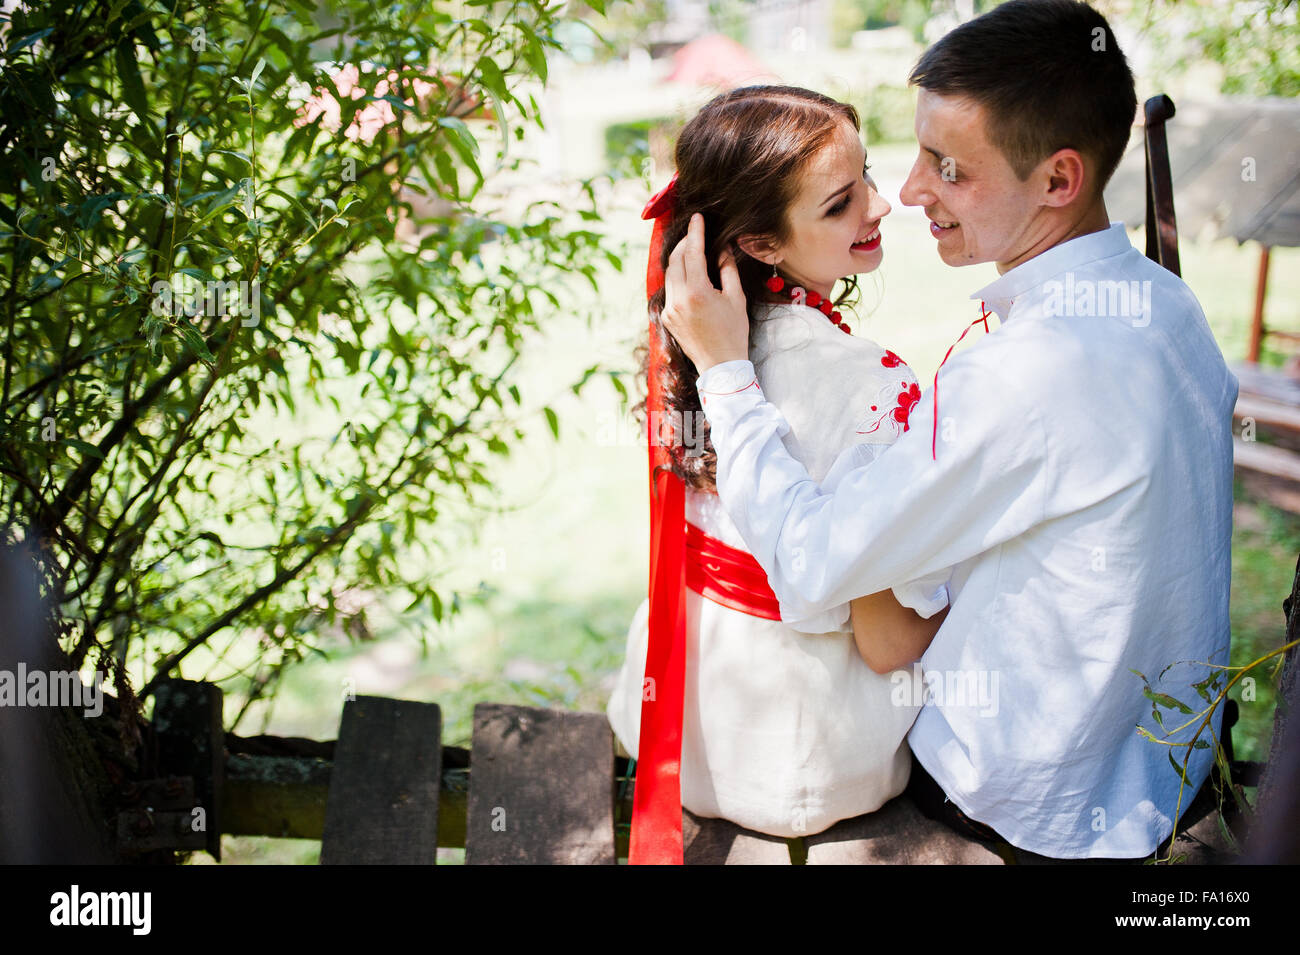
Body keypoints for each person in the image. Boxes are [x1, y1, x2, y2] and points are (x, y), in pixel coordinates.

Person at [658, 0, 1237, 862]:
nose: (910, 193)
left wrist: (726, 373)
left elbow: (816, 562)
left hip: (1030, 798)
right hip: (1159, 763)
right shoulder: (1169, 305)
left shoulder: (1021, 376)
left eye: (949, 168)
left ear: (1057, 181)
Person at [605, 85, 957, 865]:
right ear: (763, 242)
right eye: (840, 204)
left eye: (867, 174)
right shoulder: (871, 385)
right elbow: (888, 642)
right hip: (809, 760)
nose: (880, 204)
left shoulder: (696, 337)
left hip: (677, 720)